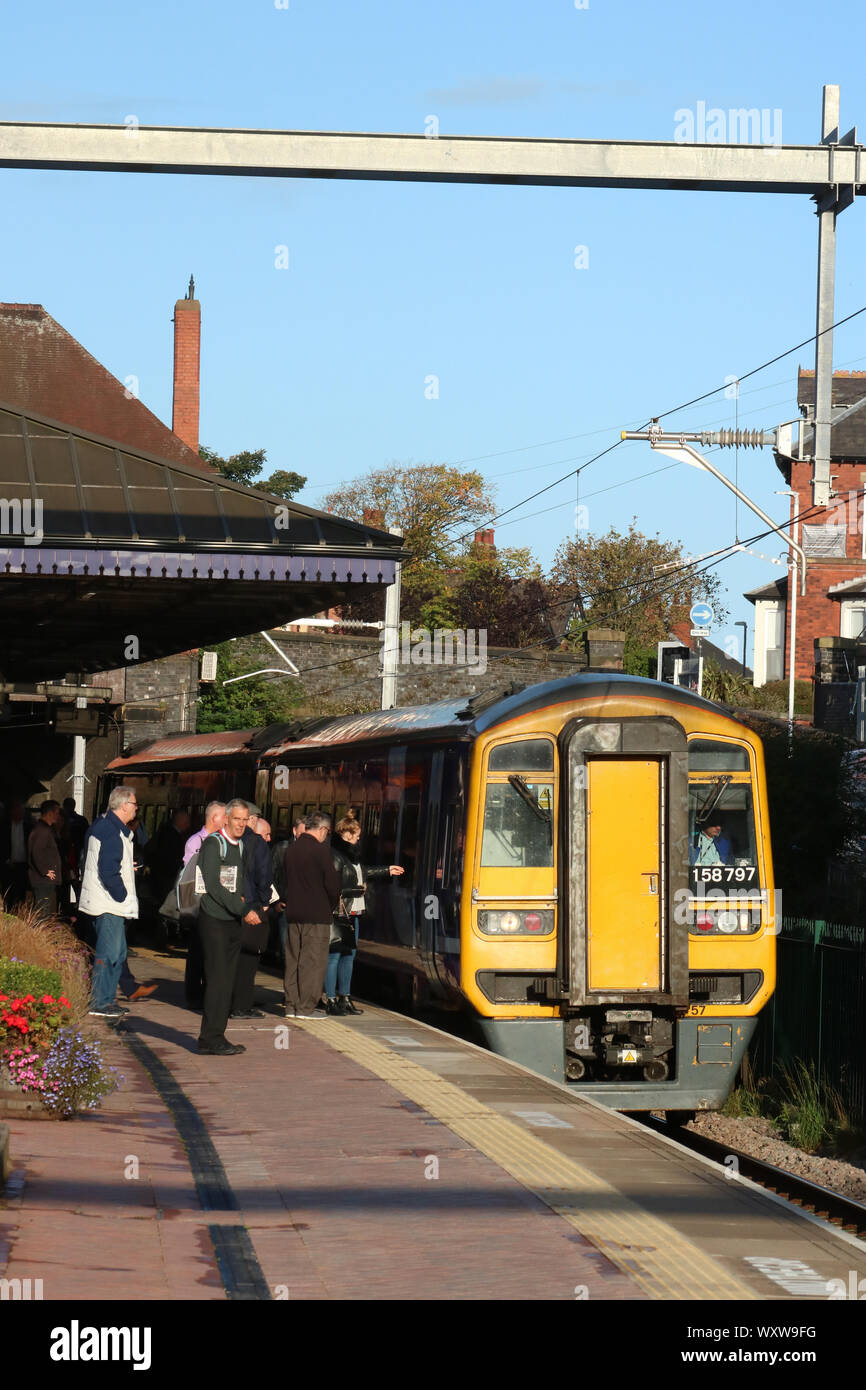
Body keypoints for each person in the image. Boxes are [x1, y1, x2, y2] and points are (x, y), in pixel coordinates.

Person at [196, 799, 261, 1056]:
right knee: (218, 980)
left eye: (245, 820)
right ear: (225, 819)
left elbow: (235, 882)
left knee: (227, 980)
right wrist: (244, 909)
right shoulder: (214, 844)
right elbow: (214, 885)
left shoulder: (240, 845)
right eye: (237, 819)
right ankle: (209, 1038)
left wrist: (242, 902)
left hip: (232, 920)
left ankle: (217, 1035)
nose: (241, 825)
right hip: (215, 921)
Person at [327, 811, 404, 1015]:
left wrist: (386, 870)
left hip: (355, 912)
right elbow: (331, 886)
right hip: (340, 912)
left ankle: (345, 996)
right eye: (357, 834)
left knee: (349, 956)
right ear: (348, 833)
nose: (359, 838)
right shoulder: (335, 856)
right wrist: (354, 891)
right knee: (334, 955)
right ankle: (330, 998)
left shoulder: (354, 856)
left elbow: (363, 872)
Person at [81, 786, 139, 1020]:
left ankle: (106, 1000)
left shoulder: (103, 826)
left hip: (105, 902)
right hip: (109, 904)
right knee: (109, 953)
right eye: (135, 804)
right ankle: (100, 1002)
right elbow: (108, 870)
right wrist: (122, 894)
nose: (136, 809)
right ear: (124, 805)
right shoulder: (112, 832)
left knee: (118, 952)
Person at [281, 812, 341, 1021]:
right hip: (317, 915)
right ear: (323, 829)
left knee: (294, 960)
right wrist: (330, 905)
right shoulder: (321, 850)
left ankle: (291, 1005)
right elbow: (332, 885)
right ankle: (306, 1008)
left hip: (293, 913)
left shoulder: (291, 849)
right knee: (313, 962)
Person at [228, 806, 273, 1020]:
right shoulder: (258, 843)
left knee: (227, 957)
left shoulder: (222, 839)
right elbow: (264, 877)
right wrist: (264, 903)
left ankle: (224, 1003)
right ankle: (241, 1006)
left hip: (227, 906)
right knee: (248, 959)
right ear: (252, 820)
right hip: (251, 906)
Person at [181, 802, 227, 1006]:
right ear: (214, 818)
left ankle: (208, 991)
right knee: (197, 949)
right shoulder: (195, 841)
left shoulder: (223, 841)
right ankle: (193, 994)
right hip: (199, 903)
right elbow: (190, 872)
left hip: (215, 902)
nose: (227, 820)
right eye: (224, 816)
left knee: (212, 950)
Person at [27, 800, 62, 919]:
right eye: (57, 812)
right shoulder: (42, 830)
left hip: (44, 879)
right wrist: (45, 870)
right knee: (42, 912)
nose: (58, 815)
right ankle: (39, 936)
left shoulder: (44, 829)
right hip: (42, 879)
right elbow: (36, 852)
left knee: (44, 910)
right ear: (50, 813)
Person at [1, 801, 30, 909]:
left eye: (22, 811)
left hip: (23, 865)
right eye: (17, 810)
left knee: (21, 893)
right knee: (7, 893)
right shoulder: (4, 826)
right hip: (8, 866)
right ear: (12, 812)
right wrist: (6, 859)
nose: (20, 813)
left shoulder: (28, 827)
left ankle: (20, 914)